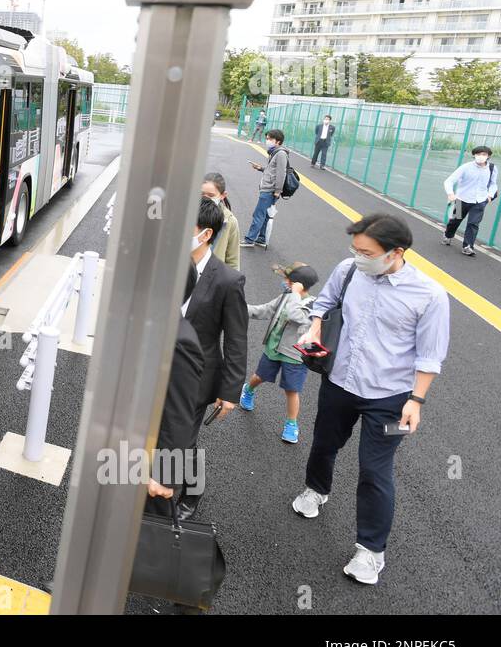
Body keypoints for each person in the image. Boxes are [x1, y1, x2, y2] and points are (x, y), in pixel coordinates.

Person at [293, 213, 449, 585]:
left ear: (396, 253)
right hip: (340, 382)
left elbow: (430, 355)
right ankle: (316, 490)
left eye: (367, 252)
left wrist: (417, 401)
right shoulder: (349, 270)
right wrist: (315, 326)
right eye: (356, 249)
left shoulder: (430, 295)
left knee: (376, 470)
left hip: (391, 397)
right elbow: (325, 302)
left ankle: (371, 551)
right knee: (324, 443)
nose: (358, 257)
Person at [177, 197, 248, 519]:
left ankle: (191, 493)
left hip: (195, 376)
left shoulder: (226, 281)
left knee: (183, 439)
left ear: (205, 234)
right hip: (153, 367)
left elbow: (236, 339)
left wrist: (230, 391)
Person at [146, 263, 206, 517]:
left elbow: (179, 415)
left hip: (149, 460)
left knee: (149, 530)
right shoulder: (157, 323)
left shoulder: (180, 341)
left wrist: (164, 477)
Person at [239, 262, 319, 444]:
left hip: (295, 356)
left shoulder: (313, 305)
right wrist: (241, 307)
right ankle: (248, 390)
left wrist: (295, 296)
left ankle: (291, 424)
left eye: (287, 280)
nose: (284, 282)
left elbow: (294, 315)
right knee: (260, 376)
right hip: (273, 348)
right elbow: (265, 310)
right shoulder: (286, 297)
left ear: (297, 284)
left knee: (292, 390)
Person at [441, 145, 498, 256]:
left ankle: (468, 246)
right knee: (454, 221)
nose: (481, 156)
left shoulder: (492, 168)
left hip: (480, 201)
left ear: (488, 156)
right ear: (474, 155)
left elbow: (493, 184)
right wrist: (451, 194)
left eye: (484, 154)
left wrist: (490, 195)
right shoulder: (465, 167)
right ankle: (448, 235)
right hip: (460, 199)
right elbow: (449, 181)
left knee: (473, 224)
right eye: (478, 154)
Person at [242, 128, 289, 249]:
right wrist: (260, 168)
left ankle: (249, 239)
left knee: (259, 214)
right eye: (267, 138)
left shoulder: (281, 154)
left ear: (277, 141)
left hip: (270, 190)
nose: (267, 141)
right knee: (266, 215)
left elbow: (281, 173)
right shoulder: (275, 152)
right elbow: (272, 170)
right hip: (270, 190)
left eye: (270, 139)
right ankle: (262, 239)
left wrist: (278, 191)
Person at [202, 172, 240, 270]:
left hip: (212, 279)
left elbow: (233, 261)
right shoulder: (189, 214)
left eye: (211, 195)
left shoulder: (230, 221)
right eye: (202, 194)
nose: (205, 198)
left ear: (223, 195)